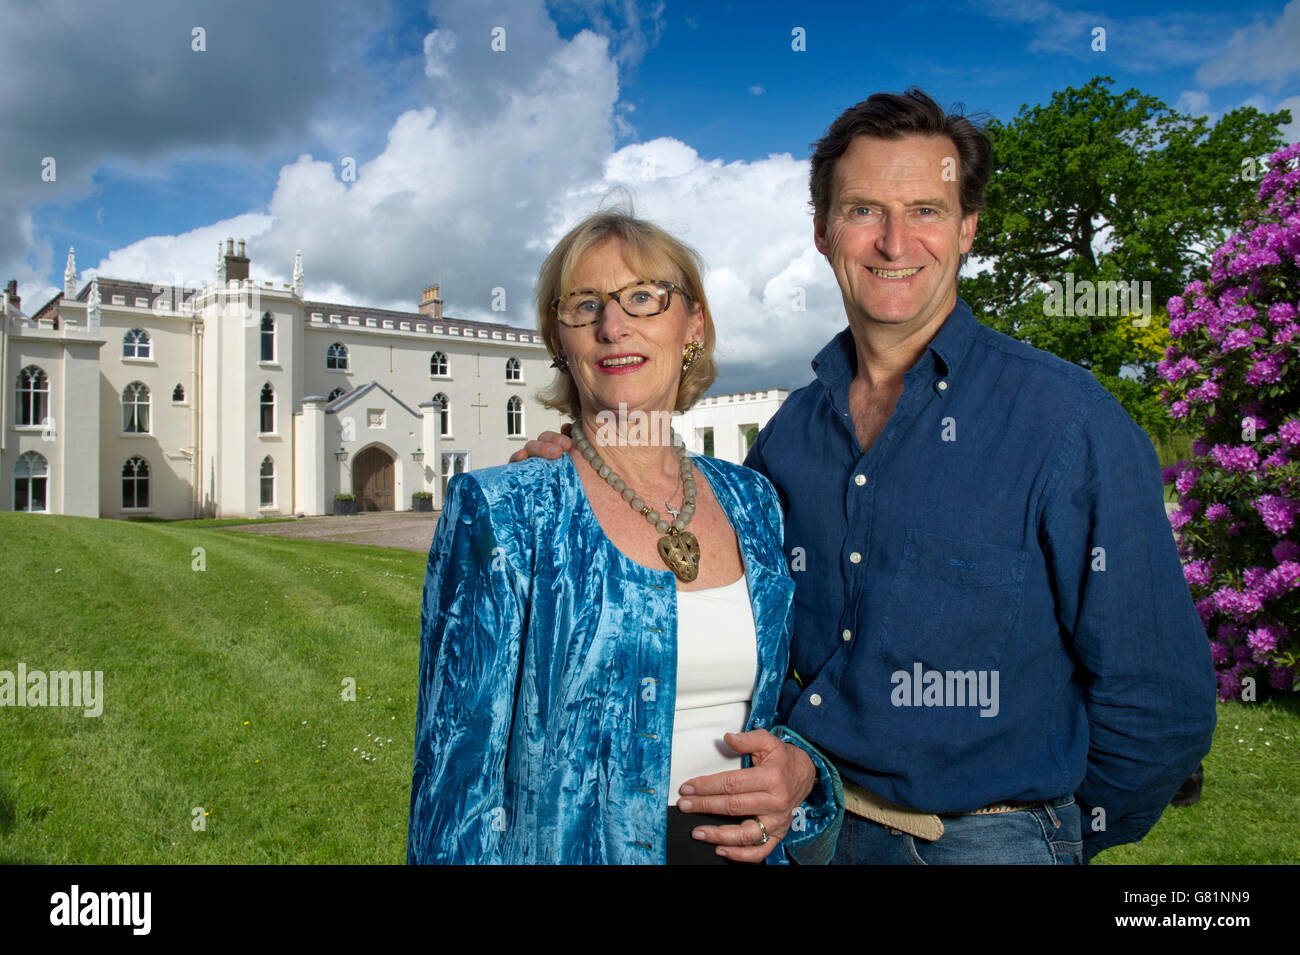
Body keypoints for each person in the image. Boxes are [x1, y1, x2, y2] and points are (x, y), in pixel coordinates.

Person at [514, 89, 1217, 864]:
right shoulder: (787, 438)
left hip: (984, 837)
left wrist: (1052, 836)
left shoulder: (1064, 419)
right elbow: (707, 586)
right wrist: (580, 471)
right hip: (804, 834)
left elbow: (1160, 698)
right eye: (861, 211)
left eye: (925, 209)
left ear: (967, 226)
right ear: (822, 232)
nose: (893, 241)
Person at [407, 211, 841, 864]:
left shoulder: (752, 502)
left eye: (643, 297)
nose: (614, 326)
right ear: (560, 338)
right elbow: (453, 785)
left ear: (693, 325)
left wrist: (802, 770)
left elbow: (788, 695)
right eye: (585, 305)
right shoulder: (505, 510)